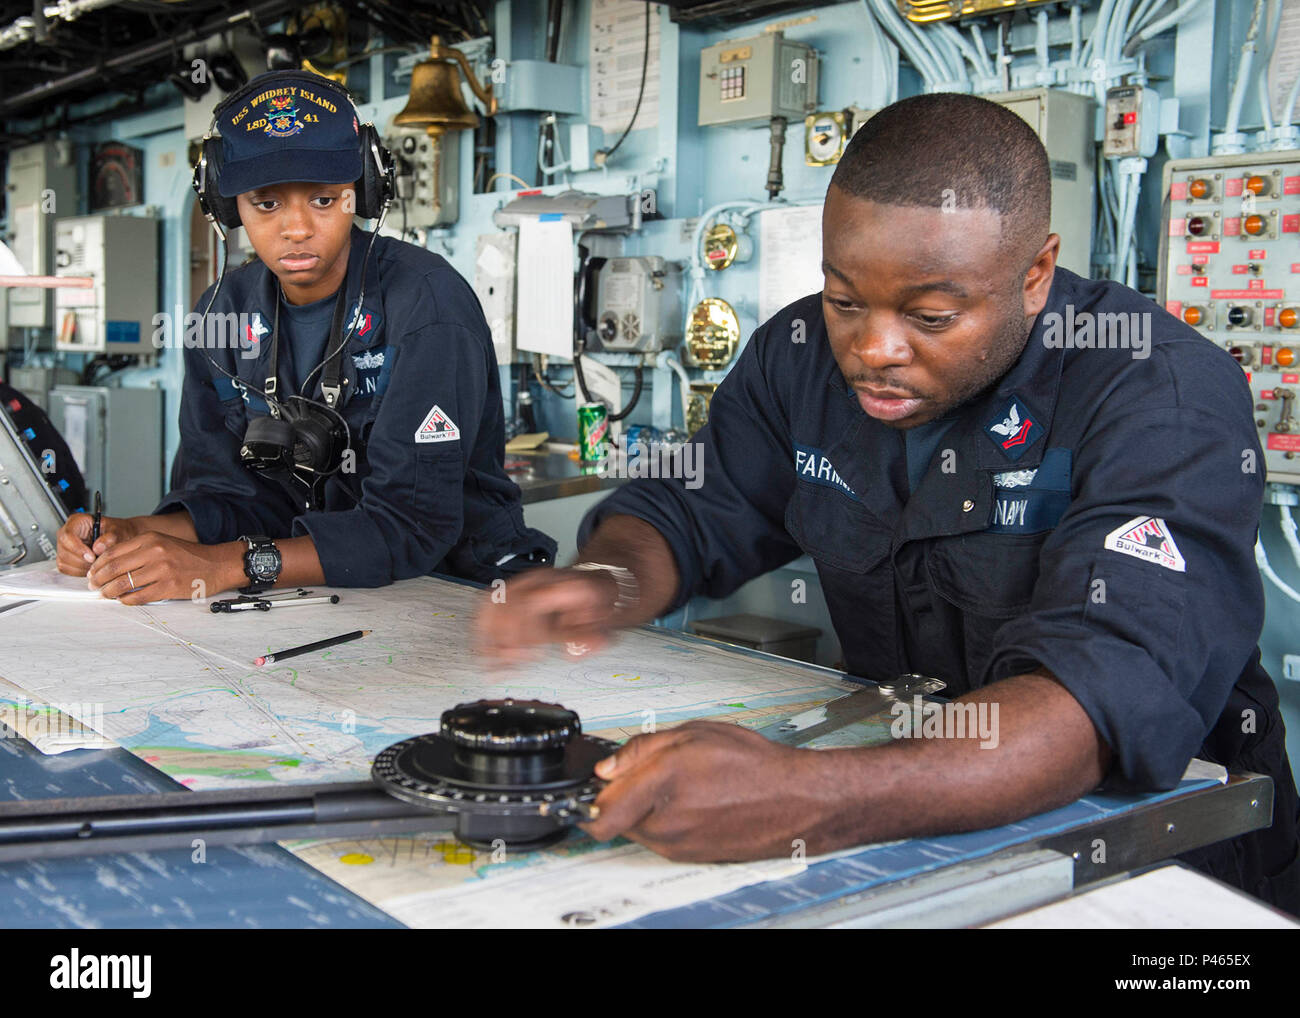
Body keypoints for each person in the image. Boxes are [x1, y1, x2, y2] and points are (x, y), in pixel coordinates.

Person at [476, 93, 1300, 913]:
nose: (873, 349)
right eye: (843, 299)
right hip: (908, 805)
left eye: (931, 315)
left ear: (1036, 274)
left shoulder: (1159, 393)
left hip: (1158, 859)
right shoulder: (795, 359)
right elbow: (685, 508)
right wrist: (606, 580)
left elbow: (1086, 705)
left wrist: (798, 796)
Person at [55, 70, 552, 599]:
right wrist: (138, 532)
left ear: (361, 189)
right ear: (227, 206)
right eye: (266, 204)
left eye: (322, 199)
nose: (296, 228)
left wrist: (225, 566)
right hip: (315, 592)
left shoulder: (427, 306)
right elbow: (229, 496)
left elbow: (409, 526)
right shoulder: (221, 314)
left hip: (459, 589)